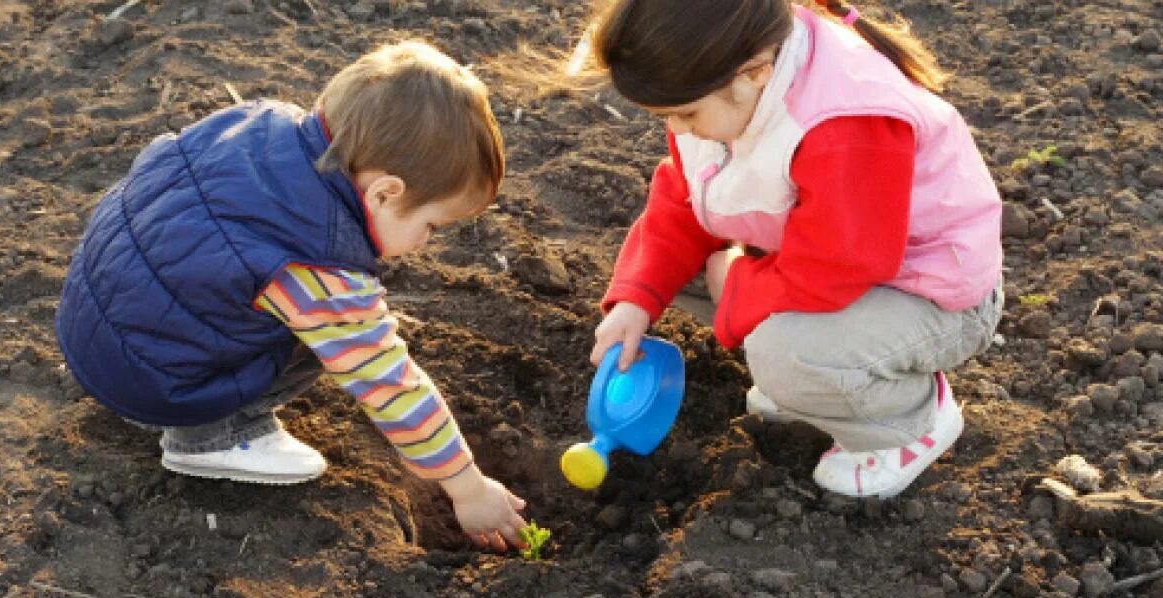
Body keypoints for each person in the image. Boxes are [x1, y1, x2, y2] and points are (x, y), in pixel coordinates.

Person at [55, 41, 527, 550]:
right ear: (385, 192)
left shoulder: (261, 126)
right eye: (431, 225)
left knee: (295, 306)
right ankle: (207, 439)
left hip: (94, 318)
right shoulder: (313, 263)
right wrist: (468, 487)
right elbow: (390, 385)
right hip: (149, 382)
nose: (425, 245)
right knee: (338, 338)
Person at [586, 0, 1004, 498]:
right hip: (834, 255)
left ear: (754, 72)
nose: (675, 130)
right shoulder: (727, 77)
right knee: (677, 271)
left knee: (784, 357)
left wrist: (738, 285)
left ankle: (909, 422)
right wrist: (637, 298)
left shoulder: (844, 123)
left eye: (686, 114)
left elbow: (841, 265)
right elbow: (687, 193)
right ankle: (824, 383)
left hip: (931, 293)